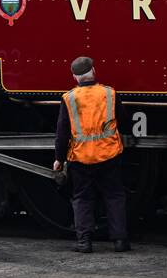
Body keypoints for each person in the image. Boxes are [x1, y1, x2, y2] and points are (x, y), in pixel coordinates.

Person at [53, 56, 129, 253]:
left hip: (81, 157)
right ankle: (120, 241)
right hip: (109, 154)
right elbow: (123, 120)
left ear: (75, 77)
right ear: (94, 71)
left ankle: (84, 242)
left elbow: (62, 133)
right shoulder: (109, 93)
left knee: (82, 198)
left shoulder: (68, 98)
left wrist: (59, 159)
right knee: (114, 196)